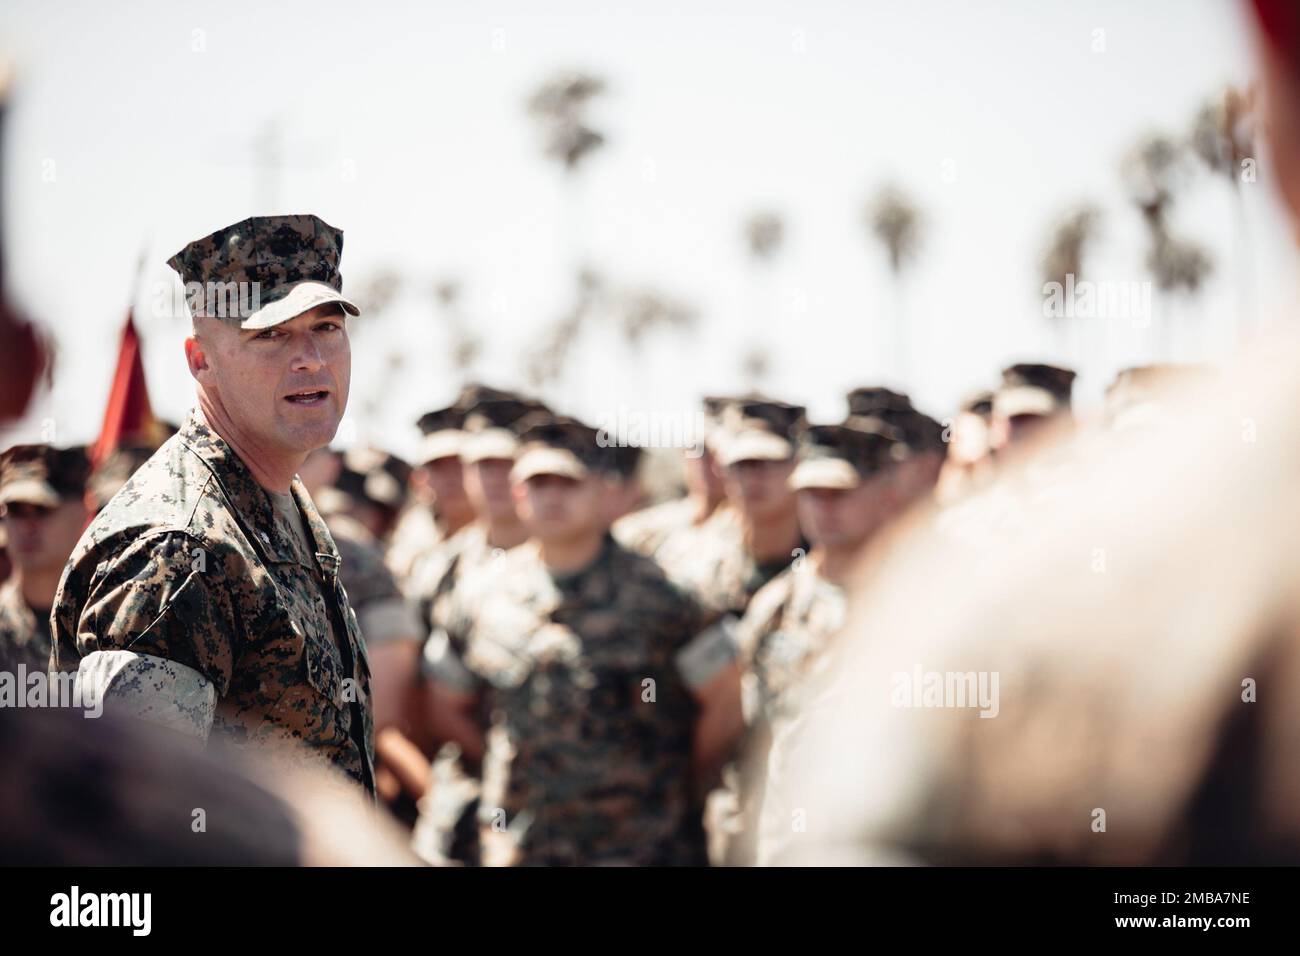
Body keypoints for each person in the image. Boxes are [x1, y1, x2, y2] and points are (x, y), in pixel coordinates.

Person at [50, 214, 377, 795]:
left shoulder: (280, 500)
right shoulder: (177, 547)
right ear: (201, 360)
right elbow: (134, 816)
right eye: (271, 335)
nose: (310, 358)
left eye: (326, 327)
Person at [424, 416, 742, 865]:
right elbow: (447, 704)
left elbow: (725, 703)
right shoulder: (481, 595)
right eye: (539, 484)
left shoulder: (666, 597)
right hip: (525, 846)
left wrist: (676, 784)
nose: (552, 498)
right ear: (519, 494)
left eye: (568, 484)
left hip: (645, 846)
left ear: (601, 493)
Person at [734, 424, 905, 864]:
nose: (824, 508)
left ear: (881, 494)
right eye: (812, 493)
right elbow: (757, 739)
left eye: (839, 493)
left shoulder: (920, 596)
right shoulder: (776, 607)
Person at [0, 444, 91, 673]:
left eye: (42, 509)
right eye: (16, 509)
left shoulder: (103, 623)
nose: (28, 527)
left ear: (80, 513)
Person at [612, 395, 733, 557]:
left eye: (719, 452)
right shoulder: (643, 531)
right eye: (698, 450)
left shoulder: (756, 532)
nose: (708, 463)